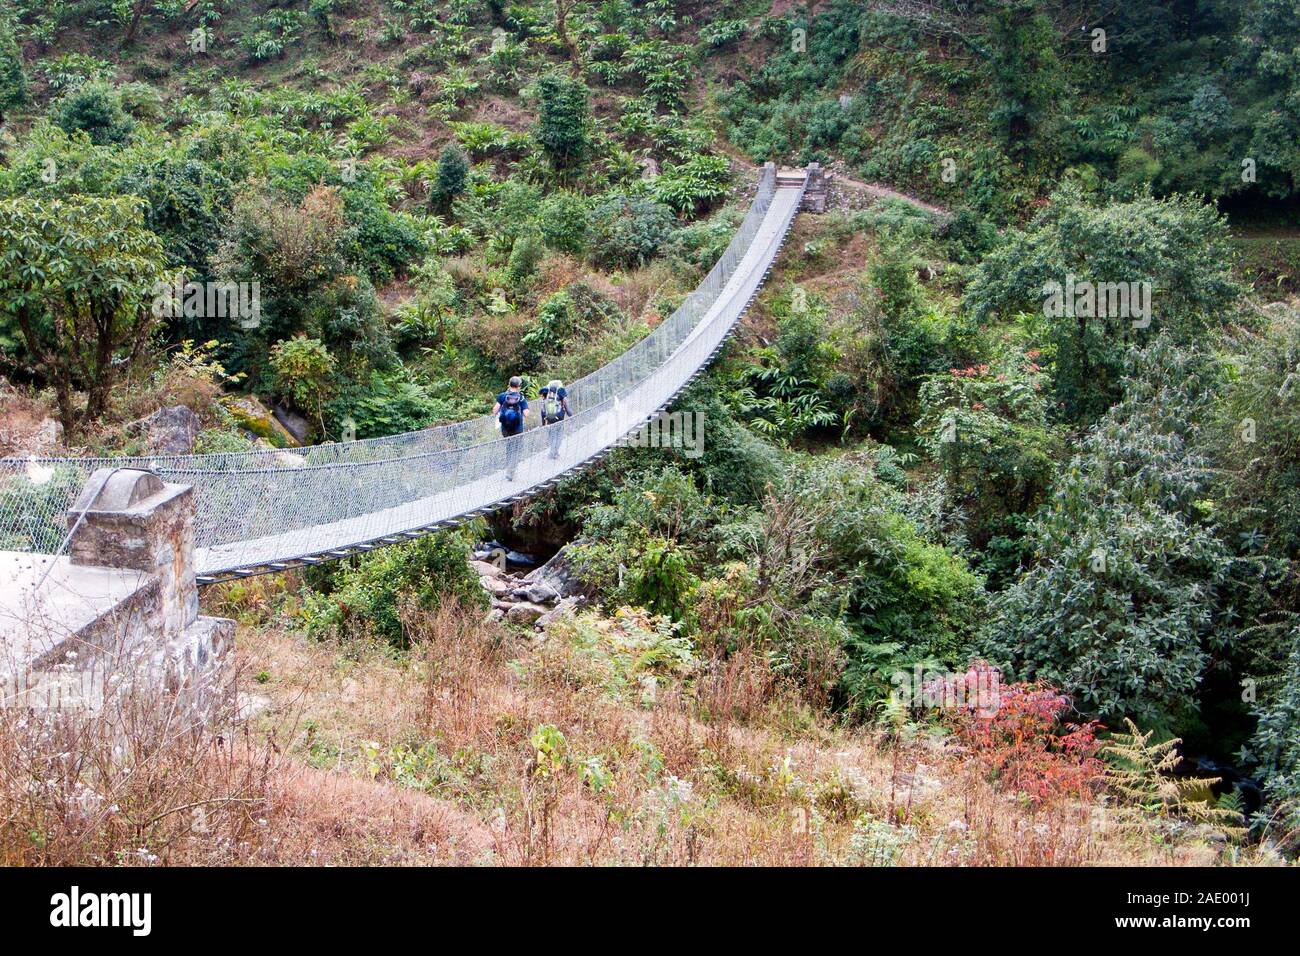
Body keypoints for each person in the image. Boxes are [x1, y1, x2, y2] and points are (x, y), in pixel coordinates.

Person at [492, 376, 529, 480]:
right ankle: (511, 472)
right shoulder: (521, 397)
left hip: (505, 428)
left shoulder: (502, 396)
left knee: (509, 447)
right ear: (519, 386)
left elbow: (495, 411)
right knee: (516, 449)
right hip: (517, 428)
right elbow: (526, 413)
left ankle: (509, 468)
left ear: (509, 384)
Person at [538, 379, 571, 460]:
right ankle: (555, 452)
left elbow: (542, 410)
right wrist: (571, 416)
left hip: (549, 419)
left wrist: (543, 423)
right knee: (559, 435)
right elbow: (566, 405)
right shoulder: (561, 392)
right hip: (559, 419)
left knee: (551, 436)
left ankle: (552, 452)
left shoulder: (545, 394)